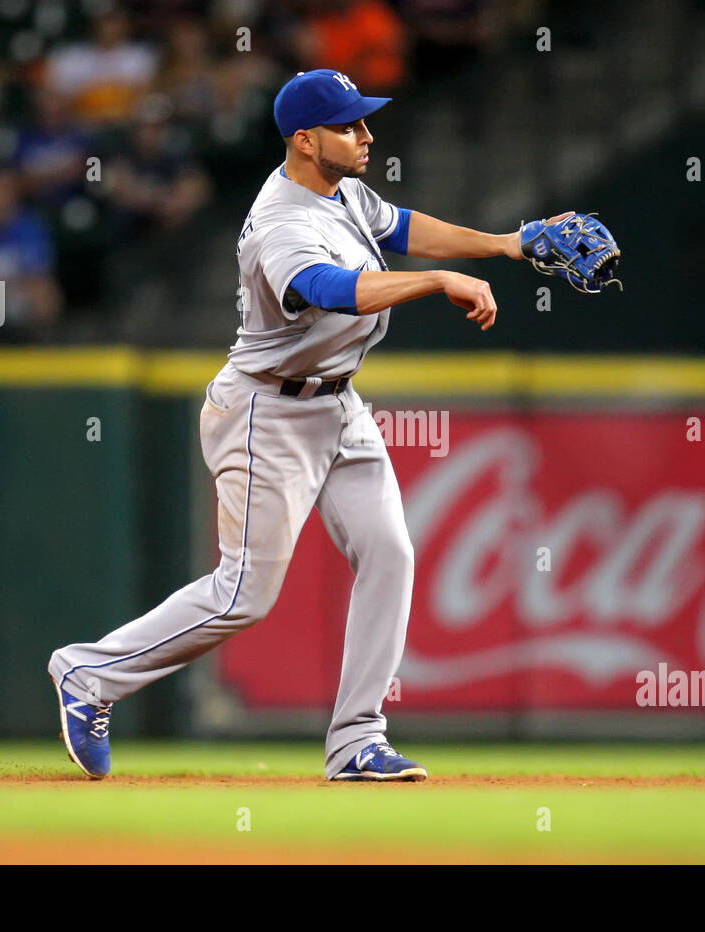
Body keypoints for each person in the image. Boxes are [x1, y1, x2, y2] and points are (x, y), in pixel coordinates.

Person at [49, 68, 558, 782]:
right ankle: (89, 673)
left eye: (362, 121)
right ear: (304, 139)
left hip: (337, 405)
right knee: (243, 596)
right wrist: (436, 282)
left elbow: (407, 227)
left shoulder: (342, 189)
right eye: (349, 125)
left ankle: (357, 739)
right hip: (267, 413)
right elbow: (331, 291)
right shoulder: (281, 222)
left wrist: (504, 243)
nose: (366, 134)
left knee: (390, 553)